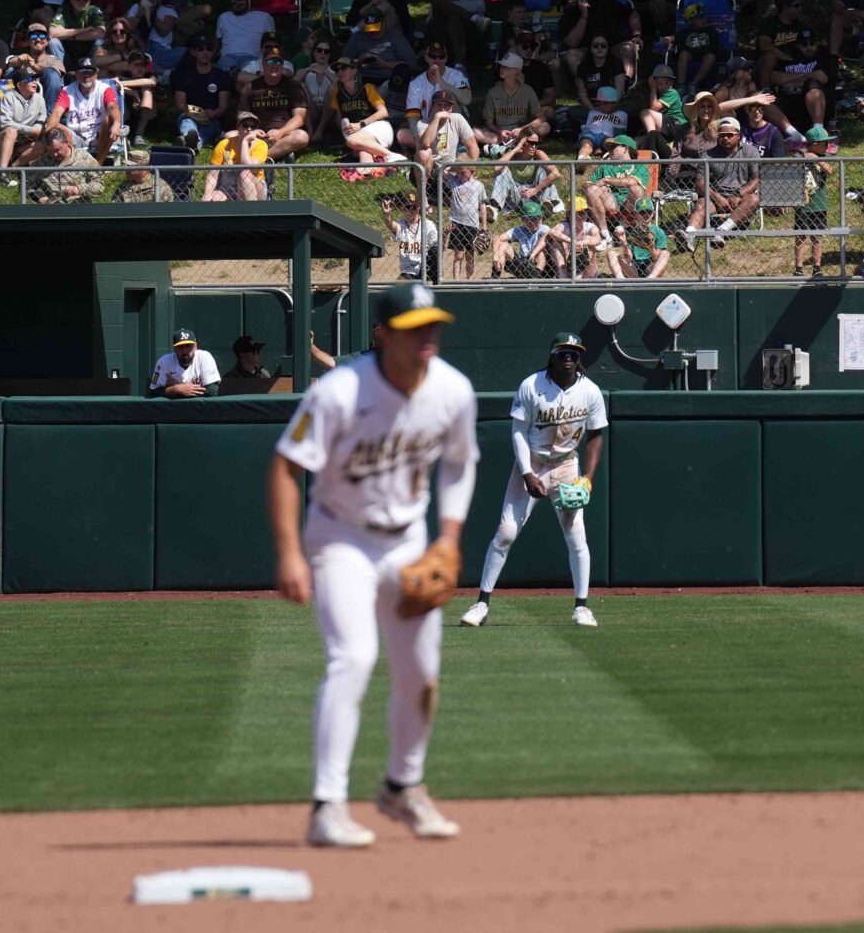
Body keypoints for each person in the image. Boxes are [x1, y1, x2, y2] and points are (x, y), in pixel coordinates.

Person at [270, 282, 477, 848]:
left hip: (408, 540)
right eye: (415, 329)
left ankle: (403, 786)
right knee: (354, 657)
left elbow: (460, 465)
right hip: (340, 538)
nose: (428, 338)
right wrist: (291, 551)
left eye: (433, 326)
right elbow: (288, 465)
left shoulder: (453, 390)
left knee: (420, 674)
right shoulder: (338, 392)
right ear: (384, 337)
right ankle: (327, 807)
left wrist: (450, 539)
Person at [461, 333, 607, 631]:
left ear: (580, 359)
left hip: (567, 465)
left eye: (574, 354)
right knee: (505, 532)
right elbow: (518, 431)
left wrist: (588, 479)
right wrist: (527, 472)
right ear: (552, 356)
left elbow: (596, 435)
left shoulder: (590, 391)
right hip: (533, 462)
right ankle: (481, 603)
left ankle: (582, 607)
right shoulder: (532, 385)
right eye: (563, 353)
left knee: (576, 535)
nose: (569, 359)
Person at [152, 330, 221, 398]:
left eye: (188, 346)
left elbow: (212, 392)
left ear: (195, 346)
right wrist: (175, 389)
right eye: (180, 347)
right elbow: (152, 390)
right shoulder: (163, 362)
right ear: (174, 348)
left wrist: (177, 388)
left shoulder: (205, 357)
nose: (185, 351)